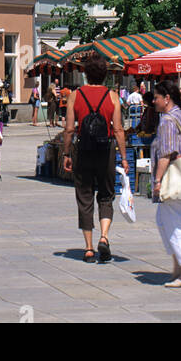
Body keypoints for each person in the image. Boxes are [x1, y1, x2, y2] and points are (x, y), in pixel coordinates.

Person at [60, 58, 128, 264]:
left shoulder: (75, 96)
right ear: (105, 75)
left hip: (84, 150)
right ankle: (104, 237)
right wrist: (124, 157)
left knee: (85, 196)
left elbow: (70, 129)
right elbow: (118, 129)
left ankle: (89, 248)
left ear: (86, 74)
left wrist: (66, 153)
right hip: (105, 149)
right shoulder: (113, 96)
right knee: (106, 194)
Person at [149, 81, 181, 288]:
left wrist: (158, 180)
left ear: (166, 98)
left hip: (174, 178)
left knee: (174, 222)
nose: (153, 101)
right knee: (165, 219)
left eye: (156, 97)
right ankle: (179, 267)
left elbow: (166, 153)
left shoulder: (168, 120)